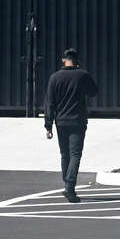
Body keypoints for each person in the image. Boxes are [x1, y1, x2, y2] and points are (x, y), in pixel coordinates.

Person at [44, 48, 99, 203]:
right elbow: (94, 92)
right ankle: (69, 188)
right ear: (77, 61)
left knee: (65, 154)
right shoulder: (82, 75)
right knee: (75, 154)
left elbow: (49, 103)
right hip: (78, 121)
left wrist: (48, 126)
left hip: (60, 122)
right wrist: (83, 72)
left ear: (63, 60)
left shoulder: (54, 78)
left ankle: (67, 182)